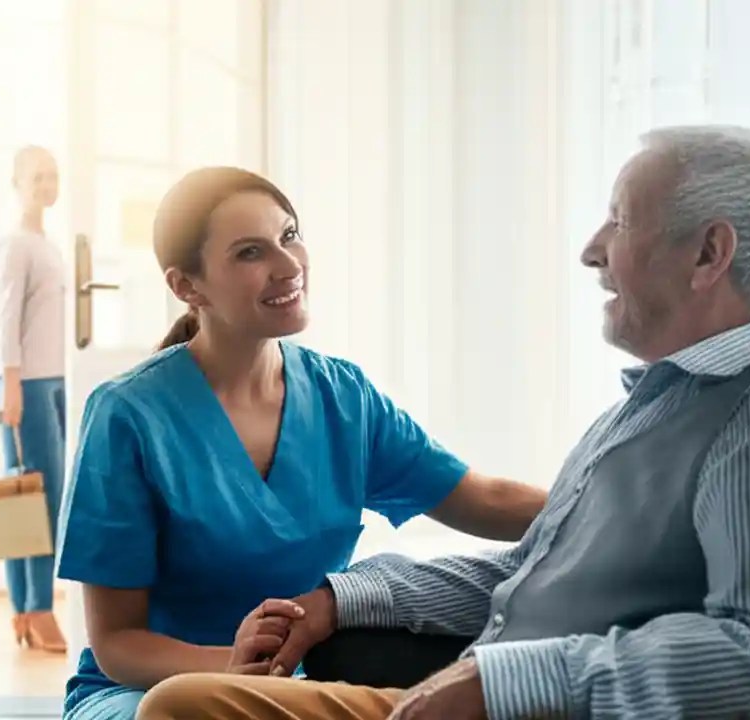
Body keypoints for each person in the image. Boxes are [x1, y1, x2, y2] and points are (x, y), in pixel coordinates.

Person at [137, 126, 750, 719]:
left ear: (709, 253)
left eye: (619, 221)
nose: (592, 249)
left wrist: (509, 682)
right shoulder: (646, 410)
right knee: (182, 703)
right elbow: (524, 574)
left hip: (519, 705)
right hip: (461, 695)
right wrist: (341, 598)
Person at [52, 167, 550, 720]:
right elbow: (118, 641)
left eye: (289, 236)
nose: (289, 266)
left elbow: (484, 499)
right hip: (143, 691)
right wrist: (233, 670)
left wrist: (619, 517)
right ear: (187, 287)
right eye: (249, 253)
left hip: (295, 681)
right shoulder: (127, 416)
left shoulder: (344, 398)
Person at [0, 145, 68, 653]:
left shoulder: (47, 244)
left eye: (52, 176)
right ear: (17, 181)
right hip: (28, 383)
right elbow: (4, 317)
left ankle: (23, 610)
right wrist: (12, 384)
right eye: (37, 176)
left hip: (53, 380)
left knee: (27, 497)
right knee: (40, 499)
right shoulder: (16, 245)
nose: (46, 184)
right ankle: (39, 607)